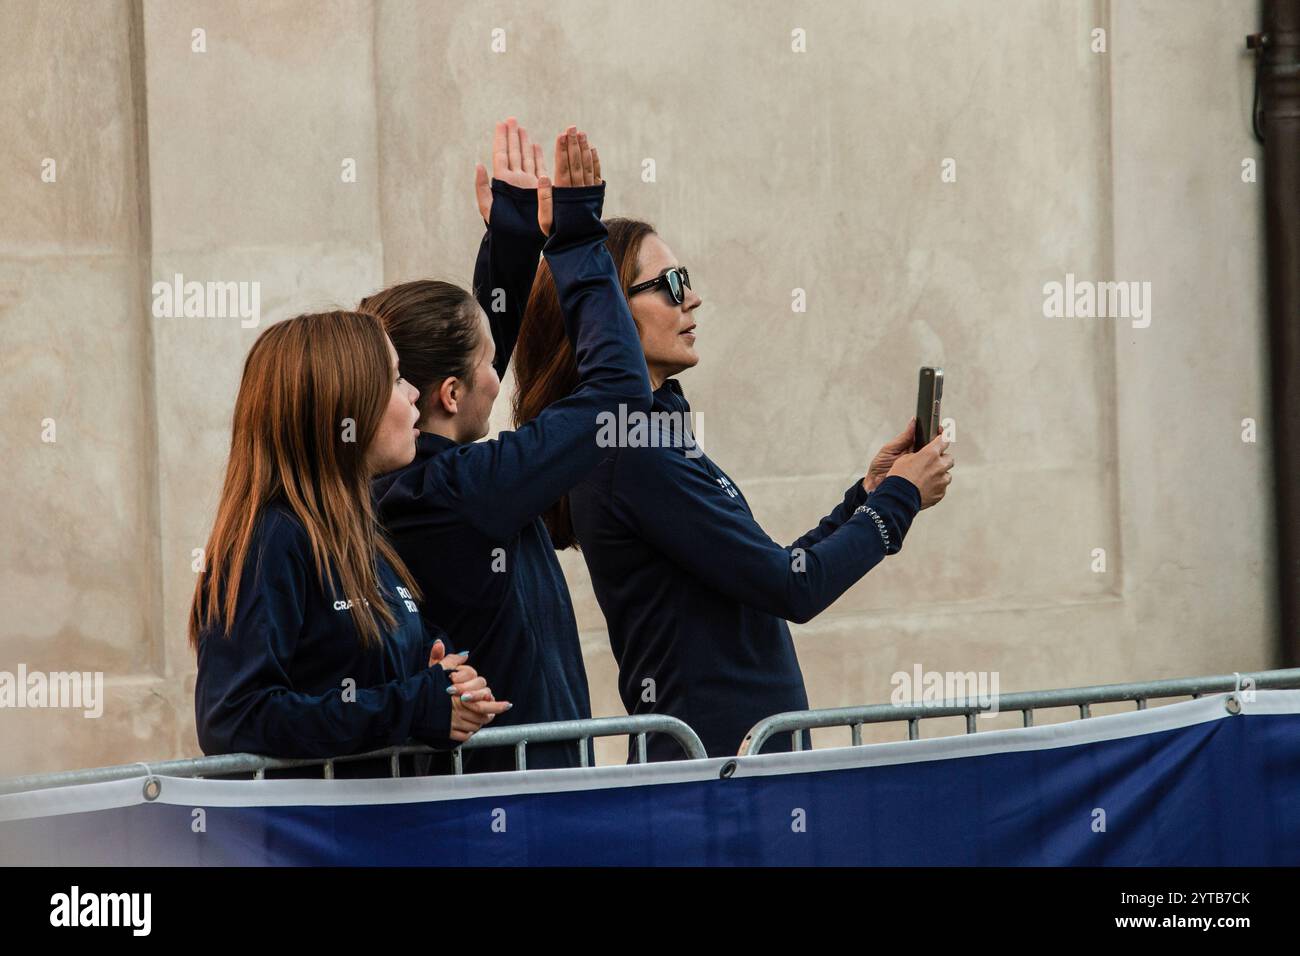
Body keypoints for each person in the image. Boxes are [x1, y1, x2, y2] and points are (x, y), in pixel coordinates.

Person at [512, 218, 955, 760]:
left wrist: (869, 493)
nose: (692, 299)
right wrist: (900, 501)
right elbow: (796, 590)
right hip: (713, 780)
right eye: (670, 284)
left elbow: (776, 571)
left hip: (732, 770)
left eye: (687, 279)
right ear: (608, 312)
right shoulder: (631, 453)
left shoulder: (654, 437)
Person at [365, 121, 652, 772]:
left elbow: (459, 361)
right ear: (445, 395)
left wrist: (516, 238)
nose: (501, 381)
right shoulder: (466, 490)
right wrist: (578, 239)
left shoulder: (425, 480)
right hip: (518, 806)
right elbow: (619, 394)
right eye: (494, 366)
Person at [191, 310, 509, 778]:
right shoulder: (272, 537)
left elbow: (385, 674)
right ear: (347, 410)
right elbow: (233, 717)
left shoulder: (362, 533)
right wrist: (411, 707)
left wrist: (445, 679)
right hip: (313, 843)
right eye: (397, 379)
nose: (414, 392)